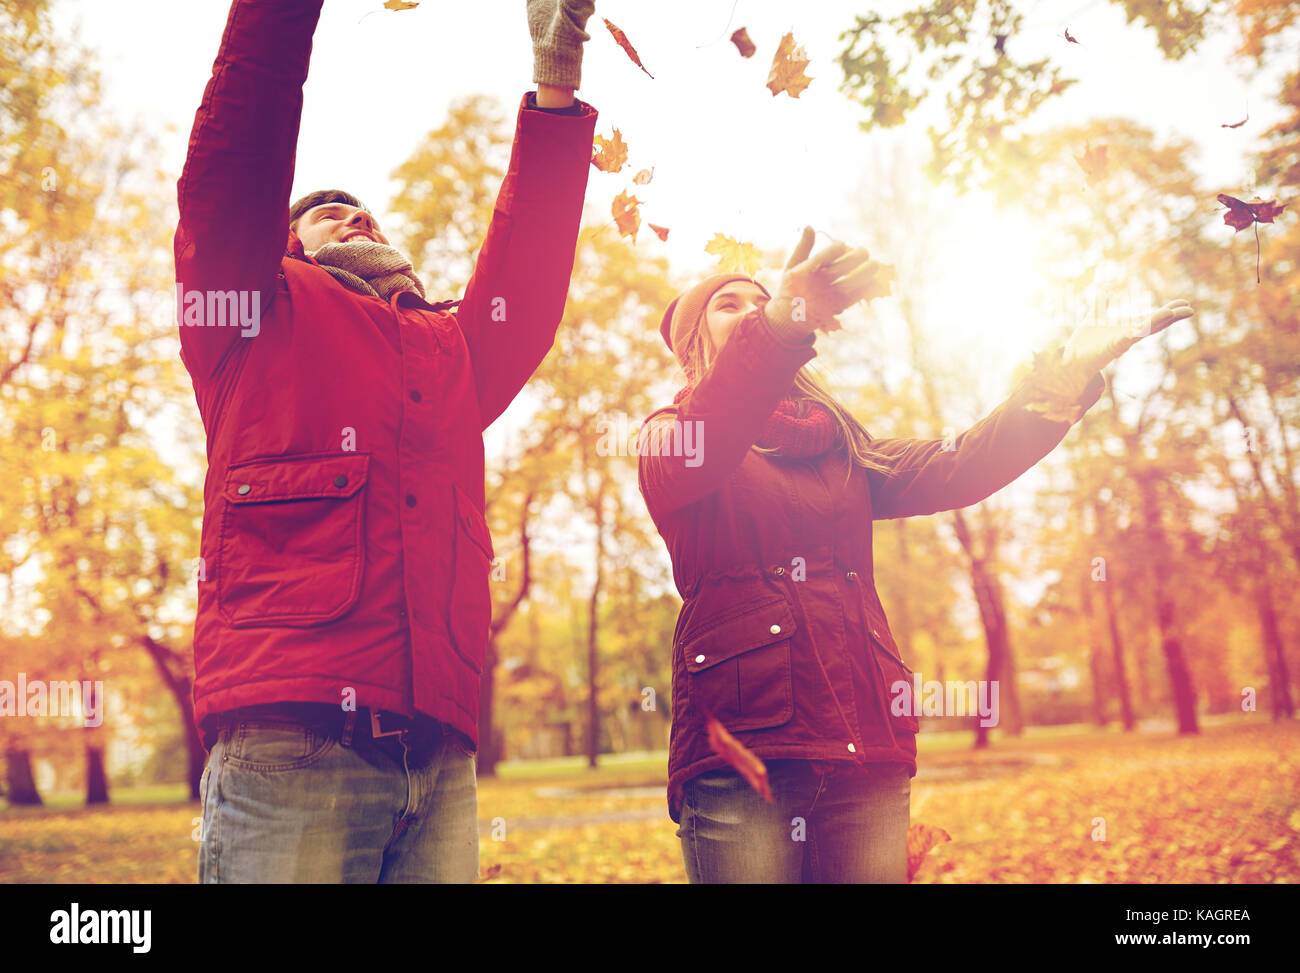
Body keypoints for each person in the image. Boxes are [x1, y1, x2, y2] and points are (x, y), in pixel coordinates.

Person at [175, 0, 598, 883]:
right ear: (283, 244)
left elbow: (528, 270)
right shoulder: (248, 311)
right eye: (326, 211)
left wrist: (556, 81)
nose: (351, 212)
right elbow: (234, 159)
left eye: (362, 207)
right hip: (290, 735)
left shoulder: (449, 347)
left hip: (437, 756)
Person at [637, 227, 1193, 883]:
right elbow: (719, 423)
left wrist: (1066, 374)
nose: (752, 310)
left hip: (866, 750)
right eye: (727, 304)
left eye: (761, 301)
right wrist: (780, 321)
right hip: (743, 754)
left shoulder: (842, 447)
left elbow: (959, 463)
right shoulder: (672, 439)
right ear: (691, 344)